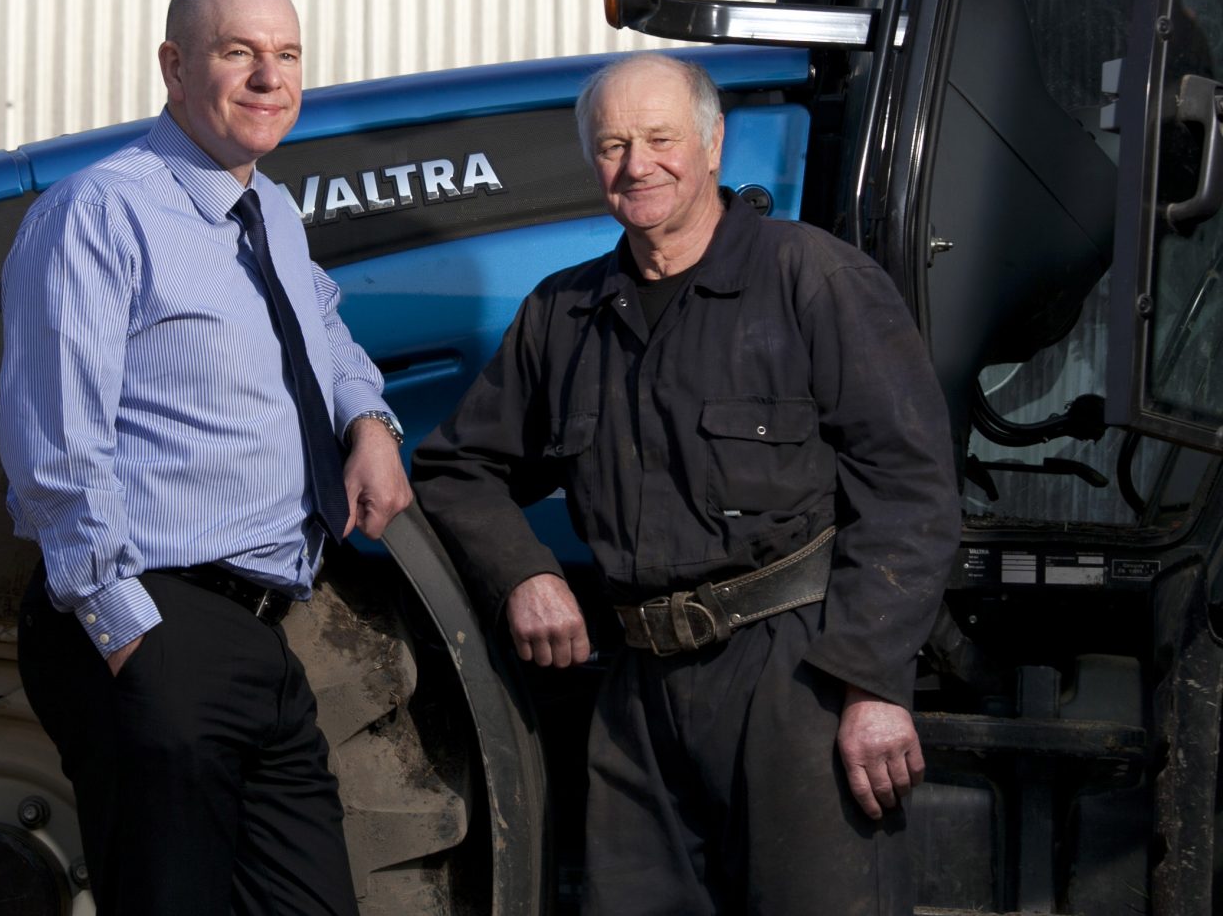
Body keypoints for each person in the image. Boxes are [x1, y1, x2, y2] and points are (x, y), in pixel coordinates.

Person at [411, 51, 959, 916]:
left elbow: (911, 492)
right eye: (613, 144)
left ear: (713, 143)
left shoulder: (812, 280)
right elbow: (455, 467)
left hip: (797, 678)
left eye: (659, 138)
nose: (637, 164)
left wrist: (872, 685)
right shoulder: (565, 314)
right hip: (638, 698)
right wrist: (525, 570)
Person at [0, 0, 413, 916]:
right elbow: (53, 448)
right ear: (175, 67)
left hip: (263, 633)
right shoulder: (99, 212)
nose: (270, 77)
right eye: (240, 53)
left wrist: (370, 422)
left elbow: (327, 331)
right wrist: (129, 637)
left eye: (287, 54)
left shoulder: (271, 212)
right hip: (157, 618)